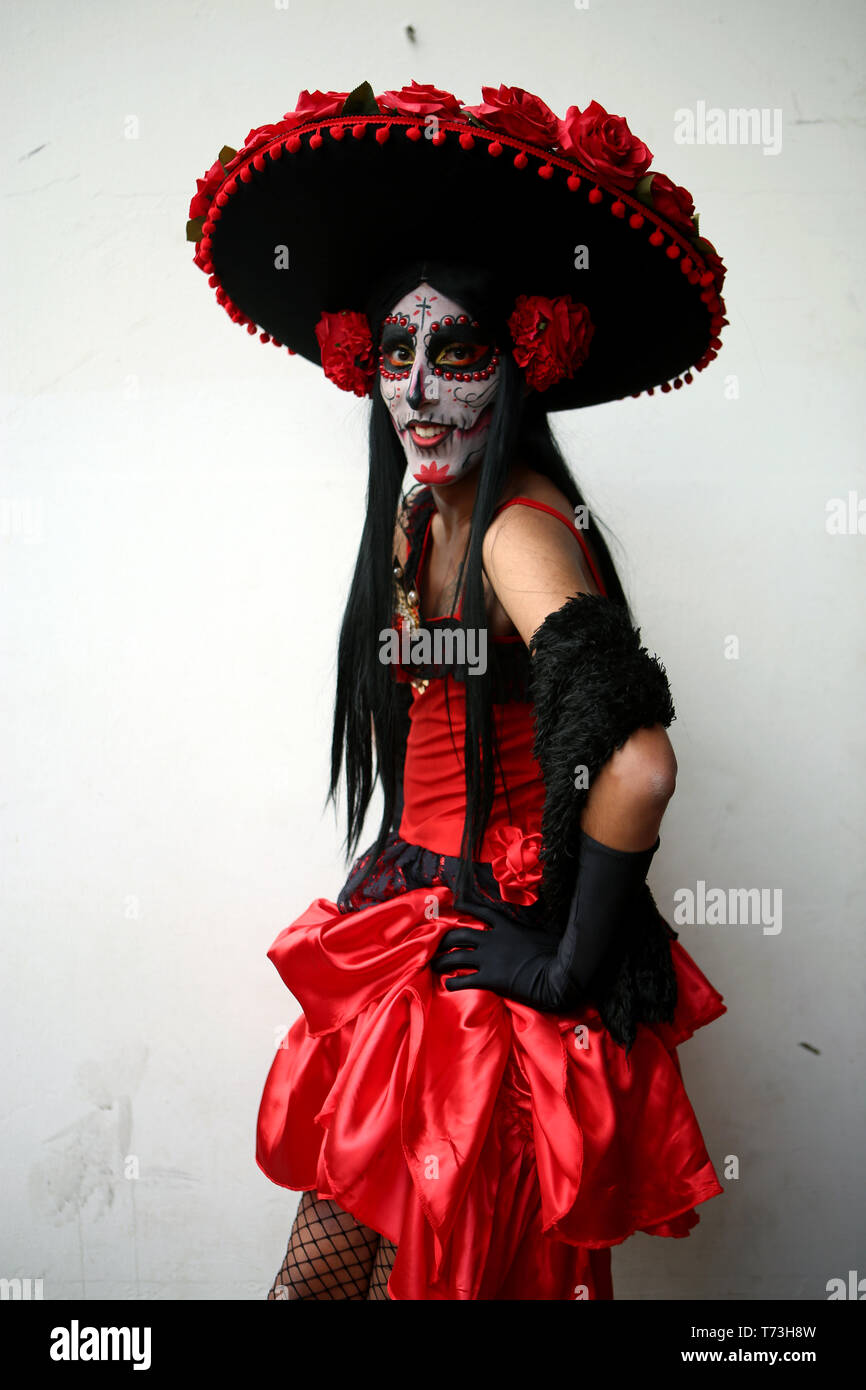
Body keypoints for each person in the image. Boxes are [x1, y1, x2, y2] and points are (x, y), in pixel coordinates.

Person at [186, 80, 729, 1301]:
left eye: (459, 351)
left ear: (519, 361)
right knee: (324, 1289)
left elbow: (634, 759)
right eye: (396, 353)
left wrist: (563, 969)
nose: (420, 387)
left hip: (484, 966)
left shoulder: (510, 532)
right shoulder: (422, 513)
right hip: (415, 936)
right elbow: (463, 688)